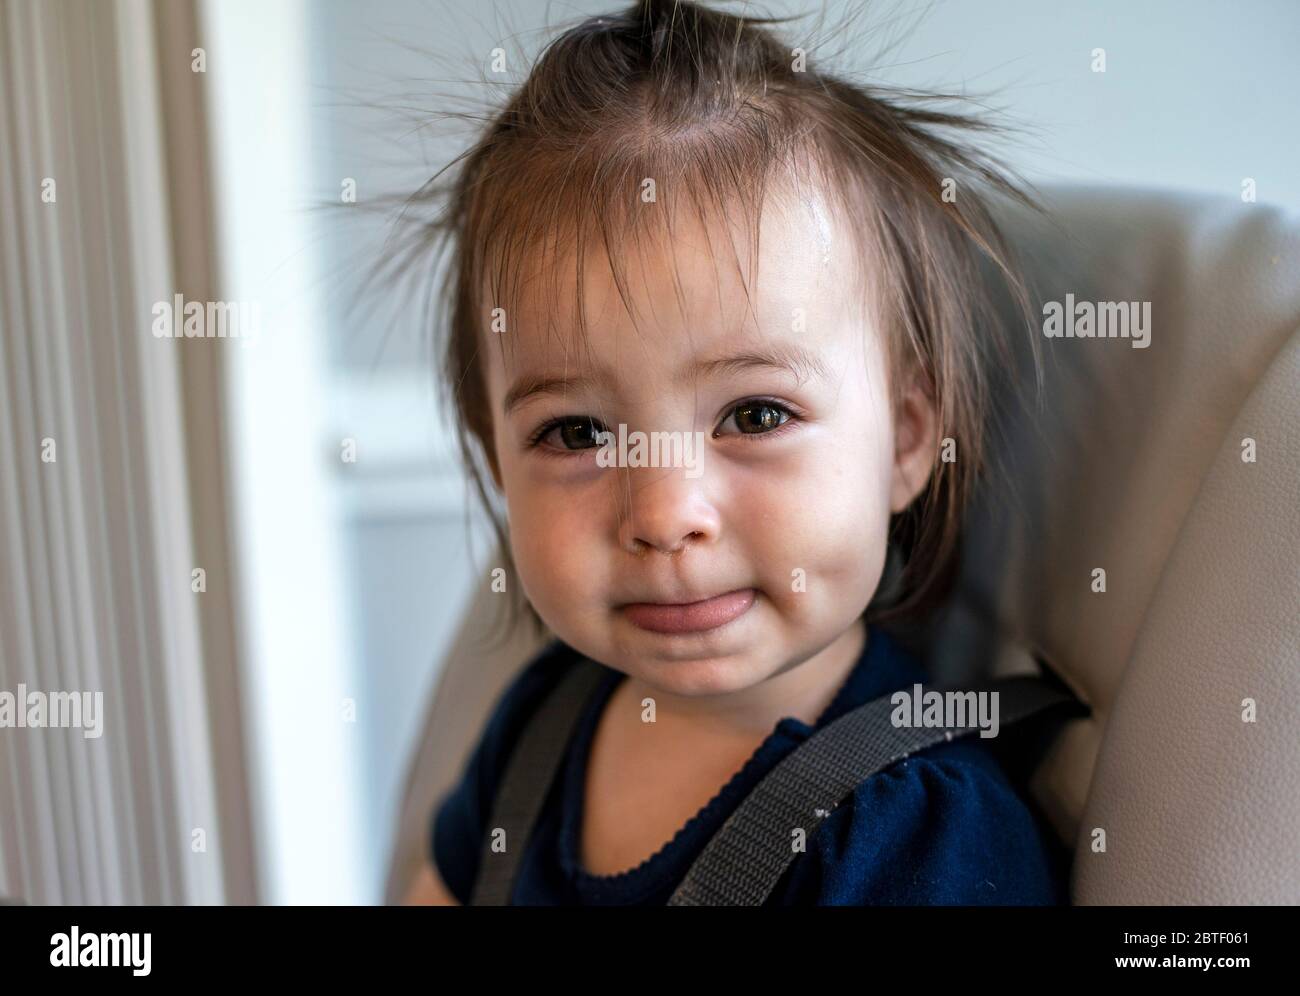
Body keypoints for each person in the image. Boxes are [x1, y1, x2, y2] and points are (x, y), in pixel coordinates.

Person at [401, 0, 1062, 905]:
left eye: (755, 415)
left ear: (908, 440)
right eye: (579, 433)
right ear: (494, 458)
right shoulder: (538, 724)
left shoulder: (919, 838)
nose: (666, 517)